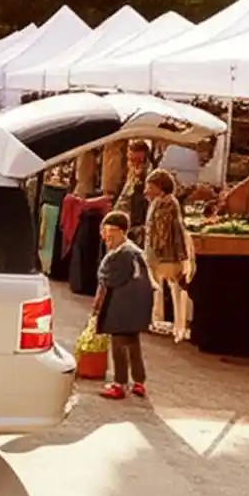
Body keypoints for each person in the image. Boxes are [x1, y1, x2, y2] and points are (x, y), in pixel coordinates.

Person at [92, 211, 154, 400]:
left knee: (119, 344)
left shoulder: (120, 255)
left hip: (121, 306)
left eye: (110, 232)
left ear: (121, 231)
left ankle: (119, 384)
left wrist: (96, 308)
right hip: (138, 307)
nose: (106, 237)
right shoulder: (135, 251)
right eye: (104, 232)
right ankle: (139, 382)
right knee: (133, 343)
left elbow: (107, 282)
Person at [143, 168, 194, 342]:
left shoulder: (166, 204)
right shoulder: (159, 202)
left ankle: (176, 324)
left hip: (165, 254)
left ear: (160, 187)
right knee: (163, 287)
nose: (147, 191)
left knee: (173, 288)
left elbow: (162, 232)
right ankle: (162, 321)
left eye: (150, 187)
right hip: (160, 253)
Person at [115, 140, 152, 242]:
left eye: (140, 161)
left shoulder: (149, 185)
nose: (135, 165)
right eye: (131, 160)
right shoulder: (125, 180)